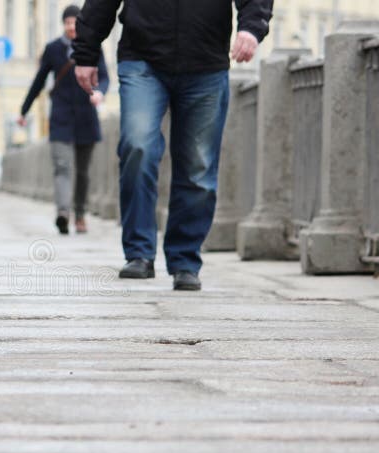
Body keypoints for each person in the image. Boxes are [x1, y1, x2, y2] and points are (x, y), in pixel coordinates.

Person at [73, 0, 273, 290]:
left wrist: (252, 29)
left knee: (198, 165)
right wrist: (86, 52)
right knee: (137, 146)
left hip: (206, 63)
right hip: (142, 58)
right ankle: (139, 252)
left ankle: (185, 260)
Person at [18, 5, 109, 235]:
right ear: (63, 24)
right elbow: (39, 81)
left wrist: (101, 93)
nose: (71, 26)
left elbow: (105, 77)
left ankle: (80, 214)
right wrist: (24, 110)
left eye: (75, 22)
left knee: (83, 172)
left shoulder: (93, 46)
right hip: (60, 118)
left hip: (87, 117)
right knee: (62, 167)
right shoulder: (53, 49)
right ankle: (63, 213)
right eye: (68, 22)